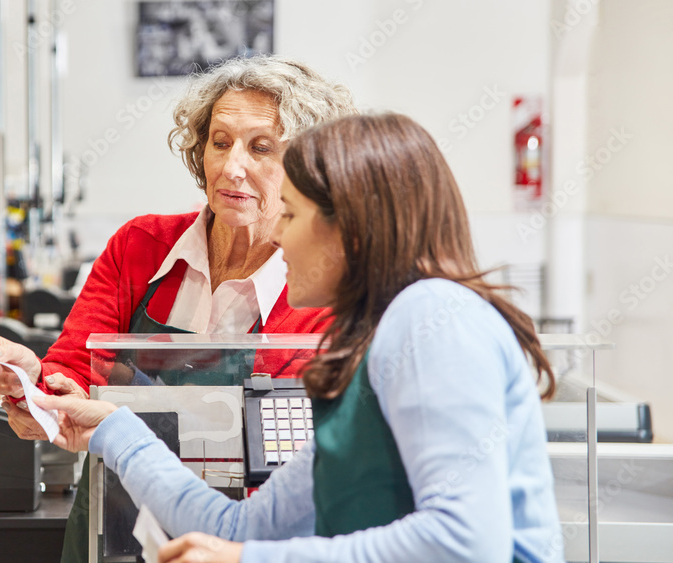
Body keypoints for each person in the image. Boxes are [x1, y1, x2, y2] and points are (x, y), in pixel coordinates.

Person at [36, 113, 565, 562]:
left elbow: (466, 542)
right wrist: (114, 430)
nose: (278, 234)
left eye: (290, 214)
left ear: (350, 229)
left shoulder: (433, 316)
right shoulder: (371, 348)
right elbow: (238, 527)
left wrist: (251, 561)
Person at [0, 55, 358, 562]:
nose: (231, 165)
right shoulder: (141, 247)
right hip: (113, 523)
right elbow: (72, 374)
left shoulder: (321, 293)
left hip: (238, 540)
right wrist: (28, 381)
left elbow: (299, 466)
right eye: (219, 142)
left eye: (261, 148)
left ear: (307, 169)